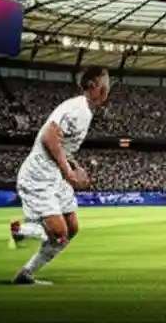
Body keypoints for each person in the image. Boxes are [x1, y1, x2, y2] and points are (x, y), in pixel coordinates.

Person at [11, 66, 111, 285]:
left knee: (72, 228)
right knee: (59, 231)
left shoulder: (84, 110)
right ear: (93, 86)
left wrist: (75, 166)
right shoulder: (79, 108)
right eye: (105, 83)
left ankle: (26, 273)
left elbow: (62, 145)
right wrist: (69, 171)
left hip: (55, 174)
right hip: (40, 173)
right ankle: (22, 229)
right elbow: (49, 137)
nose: (108, 89)